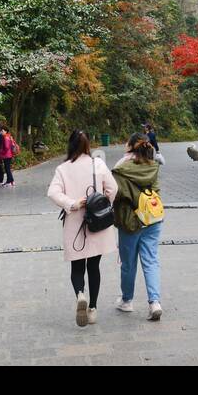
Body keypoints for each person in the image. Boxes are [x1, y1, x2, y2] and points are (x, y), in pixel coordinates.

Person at [46, 130, 118, 327]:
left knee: (77, 267)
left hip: (74, 222)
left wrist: (73, 204)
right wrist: (101, 202)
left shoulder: (63, 169)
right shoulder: (98, 164)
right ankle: (93, 309)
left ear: (70, 145)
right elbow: (113, 188)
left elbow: (53, 192)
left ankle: (80, 294)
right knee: (94, 267)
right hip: (96, 223)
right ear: (88, 145)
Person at [112, 135, 163, 321]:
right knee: (151, 261)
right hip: (152, 218)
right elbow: (156, 191)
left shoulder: (121, 168)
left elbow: (114, 193)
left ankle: (127, 301)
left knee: (128, 264)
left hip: (130, 221)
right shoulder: (153, 166)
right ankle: (155, 302)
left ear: (130, 147)